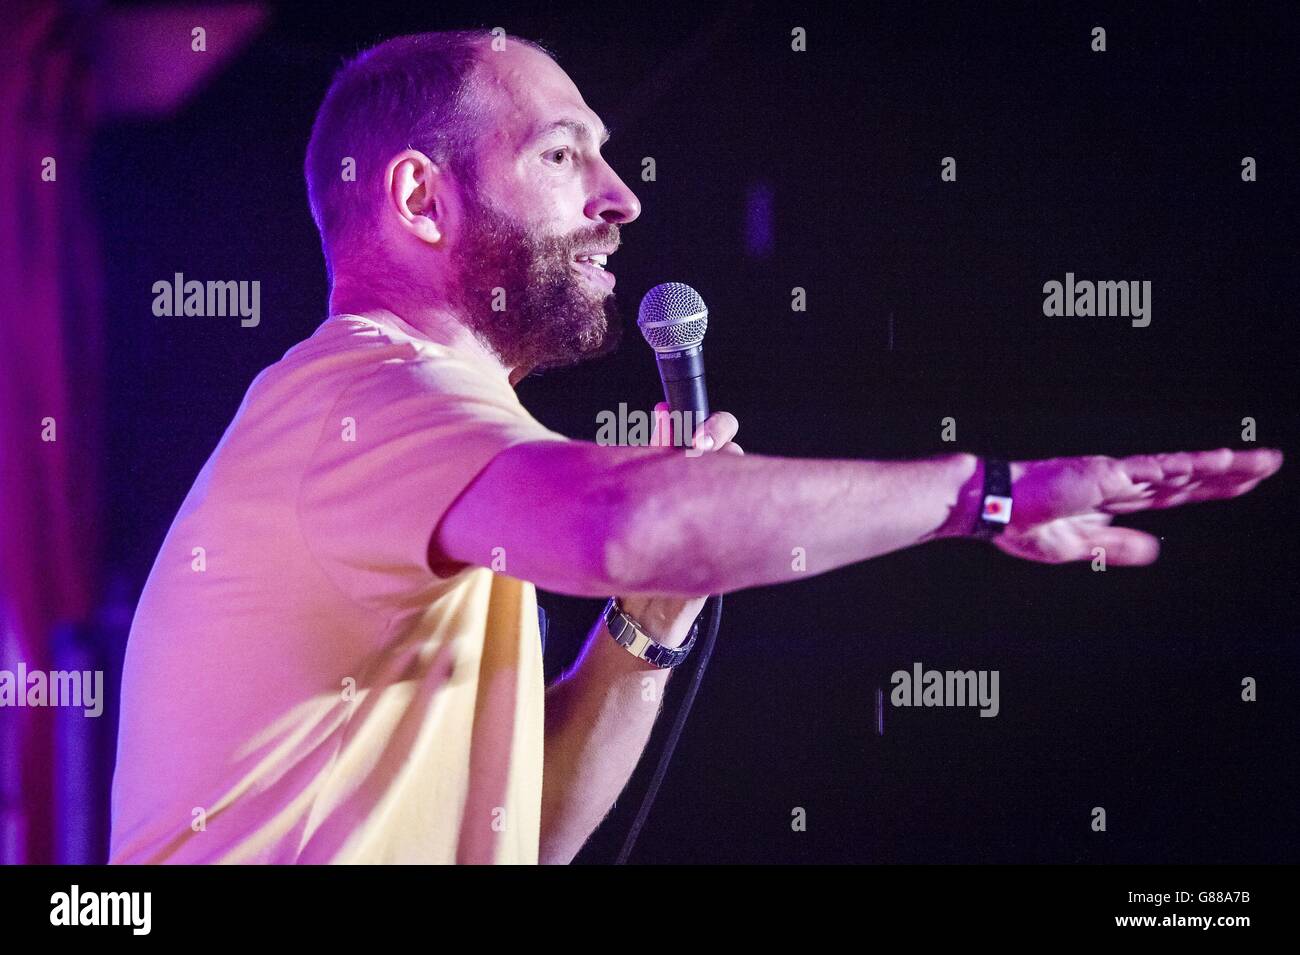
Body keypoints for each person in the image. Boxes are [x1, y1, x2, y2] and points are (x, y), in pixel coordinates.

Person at [108, 29, 1283, 865]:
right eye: (564, 154)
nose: (621, 197)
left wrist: (650, 615)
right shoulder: (365, 397)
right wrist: (988, 495)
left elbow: (532, 832)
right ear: (422, 199)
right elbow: (623, 519)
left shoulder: (442, 439)